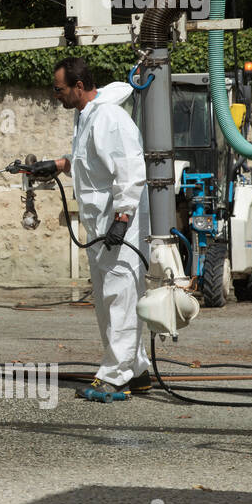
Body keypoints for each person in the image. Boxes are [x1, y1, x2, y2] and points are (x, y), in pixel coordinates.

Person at [46, 58, 152, 402]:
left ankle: (114, 376)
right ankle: (135, 371)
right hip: (100, 227)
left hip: (119, 228)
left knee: (120, 298)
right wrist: (55, 165)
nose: (56, 96)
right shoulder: (87, 116)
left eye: (60, 89)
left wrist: (122, 220)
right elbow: (89, 163)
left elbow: (130, 169)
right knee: (109, 301)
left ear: (79, 87)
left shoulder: (109, 117)